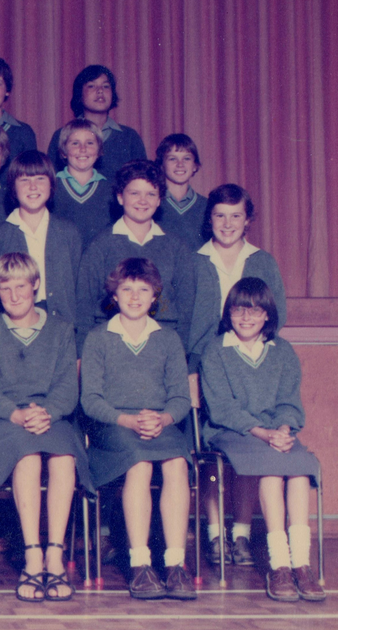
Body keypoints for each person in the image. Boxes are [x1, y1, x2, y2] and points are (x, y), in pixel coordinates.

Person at [0, 252, 91, 602]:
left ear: (36, 285)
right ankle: (32, 556)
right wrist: (17, 414)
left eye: (21, 286)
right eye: (5, 288)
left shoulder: (61, 329)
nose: (14, 295)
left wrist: (47, 411)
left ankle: (55, 554)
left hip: (51, 418)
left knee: (63, 457)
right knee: (28, 457)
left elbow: (68, 386)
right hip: (5, 422)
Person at [200, 278, 323, 602]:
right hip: (231, 432)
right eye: (239, 310)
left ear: (267, 315)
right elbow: (222, 408)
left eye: (254, 311)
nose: (246, 318)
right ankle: (280, 565)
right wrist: (262, 432)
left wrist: (283, 428)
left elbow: (289, 401)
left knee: (298, 467)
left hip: (274, 432)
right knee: (271, 468)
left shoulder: (282, 350)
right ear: (229, 313)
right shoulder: (216, 350)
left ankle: (302, 565)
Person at [81, 258, 195, 600]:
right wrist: (128, 420)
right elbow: (90, 399)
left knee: (176, 463)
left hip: (159, 425)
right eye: (126, 289)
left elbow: (180, 397)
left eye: (142, 290)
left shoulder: (168, 338)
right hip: (112, 428)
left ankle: (175, 564)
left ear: (154, 295)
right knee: (140, 463)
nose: (134, 297)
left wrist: (163, 418)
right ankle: (140, 564)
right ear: (114, 295)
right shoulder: (99, 338)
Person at [189, 184, 287, 564]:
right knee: (213, 451)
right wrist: (189, 370)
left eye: (235, 216)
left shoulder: (263, 262)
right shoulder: (193, 260)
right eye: (219, 215)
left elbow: (277, 319)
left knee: (251, 445)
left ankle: (242, 533)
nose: (227, 224)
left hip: (249, 365)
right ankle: (216, 534)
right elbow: (182, 319)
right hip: (203, 366)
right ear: (209, 218)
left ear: (248, 220)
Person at [76, 160, 194, 356]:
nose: (143, 201)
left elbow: (186, 307)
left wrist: (179, 353)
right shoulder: (100, 244)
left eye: (151, 194)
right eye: (134, 193)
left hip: (162, 345)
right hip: (111, 345)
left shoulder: (177, 246)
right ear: (120, 197)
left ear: (159, 200)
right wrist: (83, 353)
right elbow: (84, 304)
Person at [0, 151, 82, 324]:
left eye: (40, 179)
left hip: (61, 324)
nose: (33, 186)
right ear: (13, 187)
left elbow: (78, 288)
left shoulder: (68, 232)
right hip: (14, 323)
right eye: (24, 180)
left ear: (52, 184)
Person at [47, 65, 147, 180]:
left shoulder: (129, 137)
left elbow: (142, 179)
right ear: (80, 94)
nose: (100, 91)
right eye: (91, 86)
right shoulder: (62, 135)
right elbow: (51, 181)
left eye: (105, 86)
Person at [52, 119, 116, 248]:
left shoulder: (111, 189)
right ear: (63, 152)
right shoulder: (51, 186)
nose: (83, 149)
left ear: (99, 151)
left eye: (90, 143)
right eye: (75, 143)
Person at [154, 134, 207, 252]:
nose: (180, 164)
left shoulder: (207, 206)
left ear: (195, 166)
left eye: (187, 158)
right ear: (162, 166)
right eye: (172, 158)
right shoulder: (150, 204)